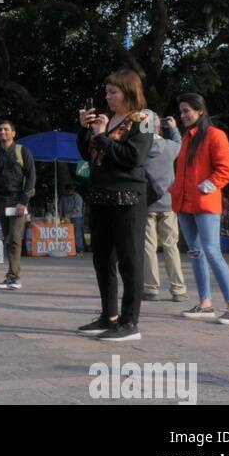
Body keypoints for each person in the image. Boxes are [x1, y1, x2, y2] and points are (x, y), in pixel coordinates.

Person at [76, 69, 153, 341]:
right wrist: (87, 129)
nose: (107, 97)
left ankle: (129, 321)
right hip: (101, 197)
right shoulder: (106, 121)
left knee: (130, 261)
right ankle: (108, 315)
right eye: (106, 92)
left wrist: (101, 137)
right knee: (102, 259)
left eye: (113, 92)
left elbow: (132, 157)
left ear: (129, 92)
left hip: (128, 198)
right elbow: (88, 153)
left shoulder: (142, 120)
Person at [172, 93, 229, 325]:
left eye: (186, 111)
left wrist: (206, 187)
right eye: (181, 111)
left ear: (200, 110)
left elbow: (226, 169)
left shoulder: (215, 135)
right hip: (184, 204)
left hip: (204, 204)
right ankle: (205, 304)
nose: (183, 115)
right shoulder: (187, 138)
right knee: (195, 252)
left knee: (212, 252)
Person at [141, 110, 188, 302]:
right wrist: (175, 129)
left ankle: (151, 288)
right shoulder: (170, 147)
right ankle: (178, 289)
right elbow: (181, 144)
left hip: (147, 202)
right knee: (171, 246)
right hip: (168, 203)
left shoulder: (139, 148)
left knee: (148, 247)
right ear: (158, 126)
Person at [0, 120, 36, 289]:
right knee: (8, 239)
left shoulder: (23, 151)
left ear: (13, 133)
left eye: (6, 129)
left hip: (18, 201)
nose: (2, 132)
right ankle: (10, 275)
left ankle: (14, 277)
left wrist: (23, 202)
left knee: (14, 237)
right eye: (0, 129)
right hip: (1, 201)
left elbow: (31, 178)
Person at [58, 185, 85, 255]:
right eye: (66, 191)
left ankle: (79, 249)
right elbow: (60, 207)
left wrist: (67, 214)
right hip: (65, 218)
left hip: (76, 217)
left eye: (68, 190)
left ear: (72, 190)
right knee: (66, 234)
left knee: (77, 233)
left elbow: (77, 209)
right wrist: (60, 216)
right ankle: (68, 248)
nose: (67, 192)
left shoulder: (77, 197)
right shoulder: (63, 197)